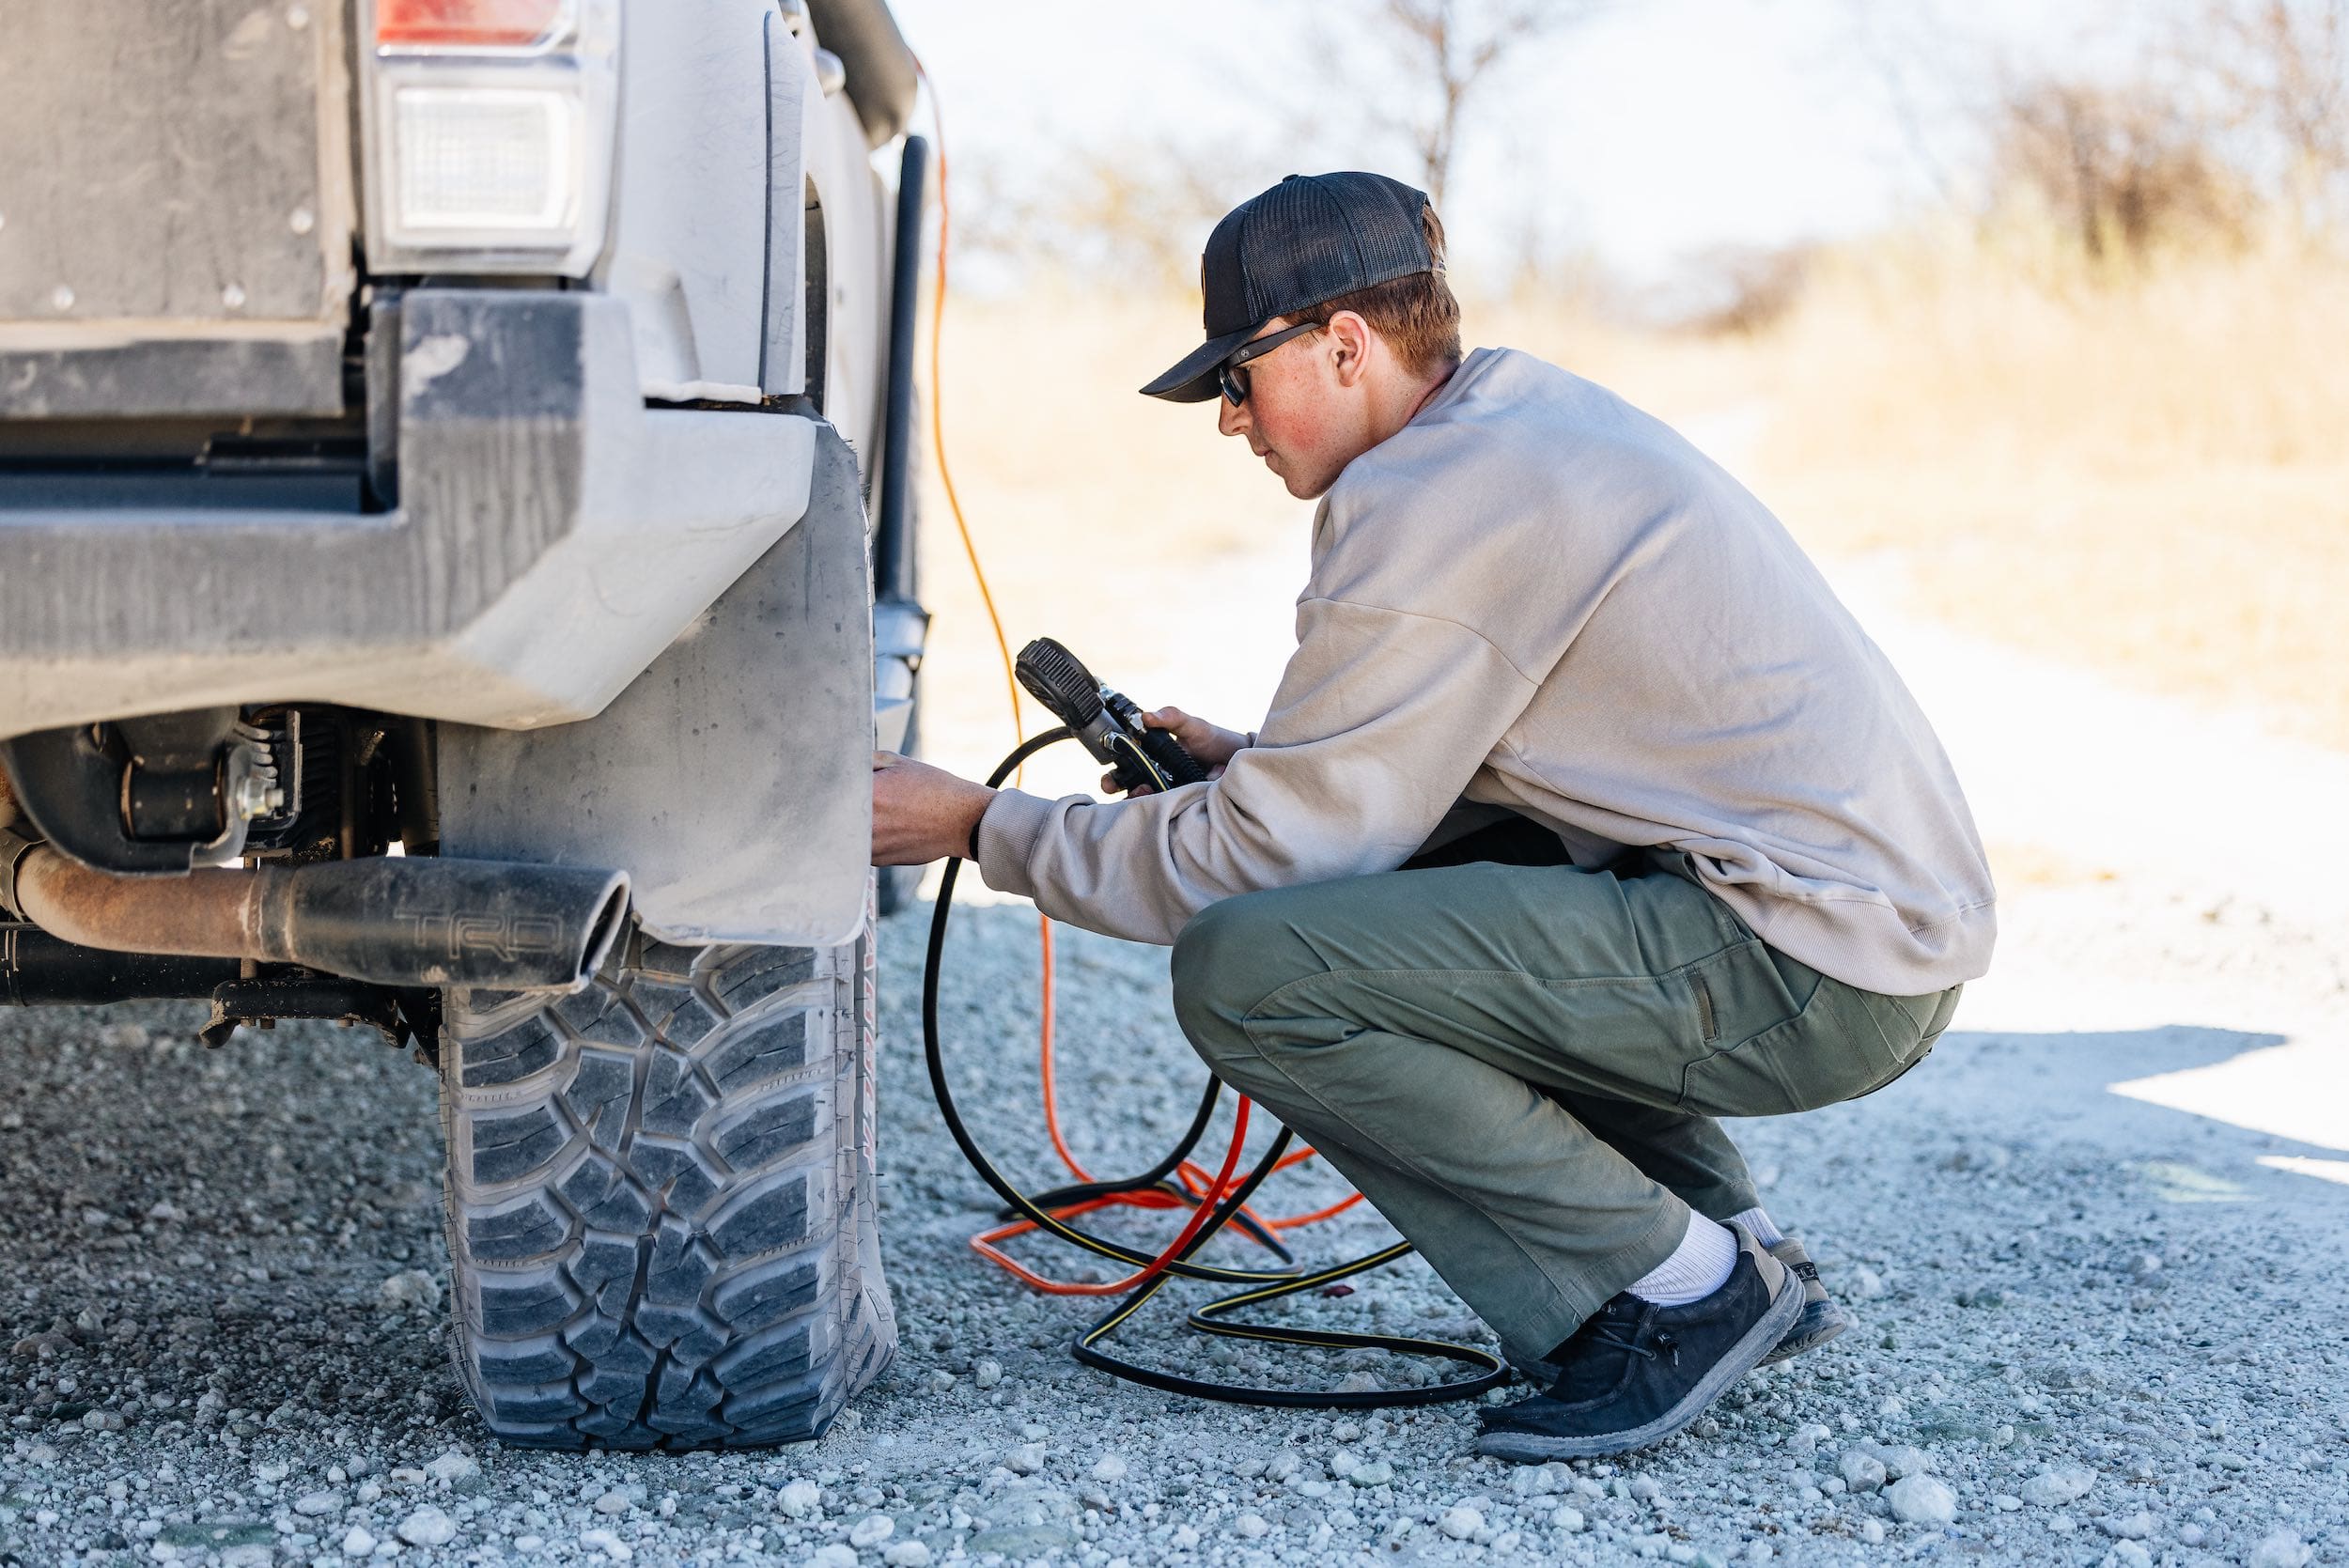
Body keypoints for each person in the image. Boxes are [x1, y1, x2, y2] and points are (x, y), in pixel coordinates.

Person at [871, 171, 1994, 1460]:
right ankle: (1730, 1246)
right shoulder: (1511, 429)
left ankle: (1676, 1291)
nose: (1229, 422)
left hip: (1815, 966)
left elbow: (1256, 867)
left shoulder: (1431, 497)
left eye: (1237, 378)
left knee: (1253, 969)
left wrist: (973, 825)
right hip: (1855, 935)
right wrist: (1257, 757)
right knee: (1438, 880)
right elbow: (1451, 765)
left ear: (1345, 345)